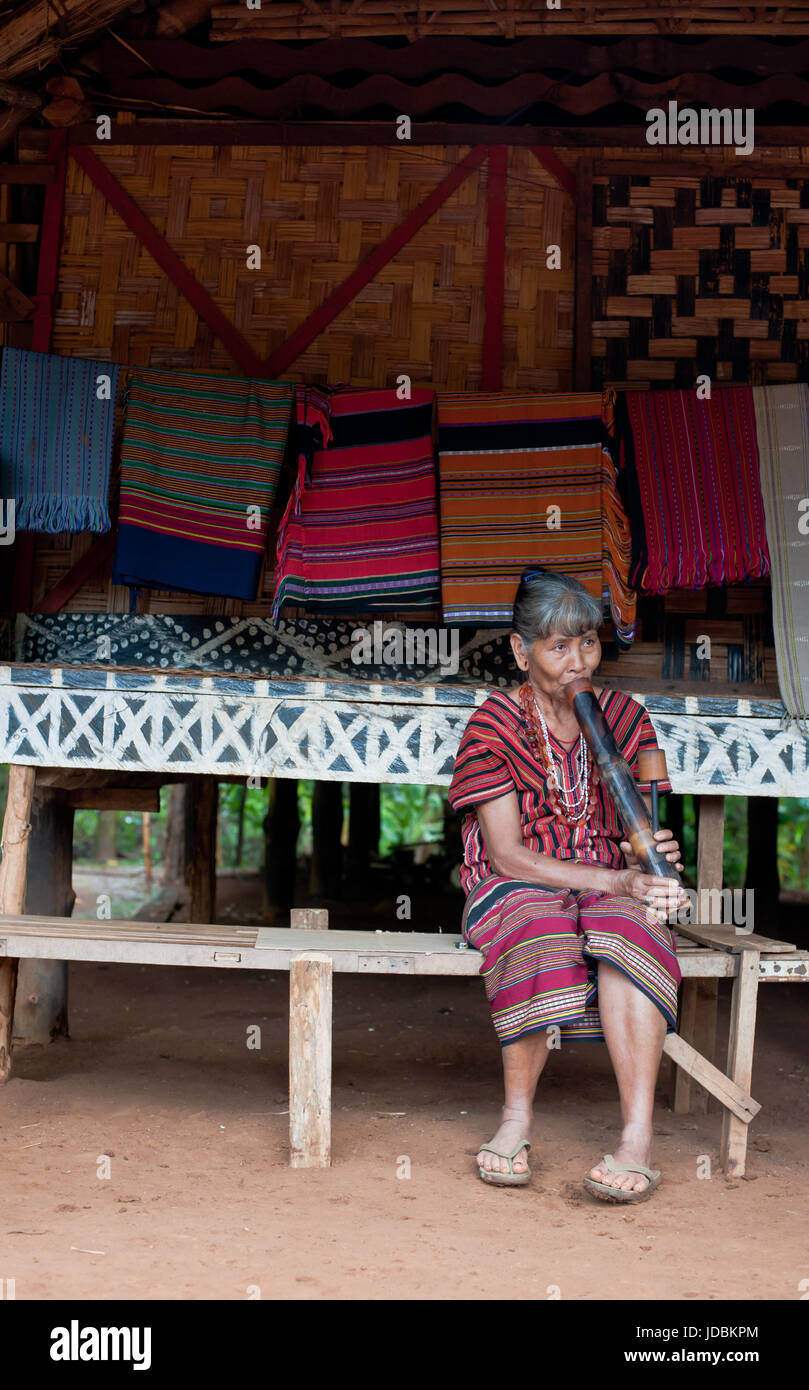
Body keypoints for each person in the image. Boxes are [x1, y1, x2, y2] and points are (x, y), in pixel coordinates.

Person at [447, 566, 688, 1203]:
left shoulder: (626, 718)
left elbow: (644, 829)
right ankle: (516, 1119)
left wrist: (655, 864)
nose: (577, 660)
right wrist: (617, 877)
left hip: (612, 880)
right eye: (558, 647)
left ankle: (636, 1137)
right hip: (521, 880)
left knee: (630, 930)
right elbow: (507, 857)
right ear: (521, 651)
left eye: (587, 642)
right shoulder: (492, 725)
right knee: (539, 923)